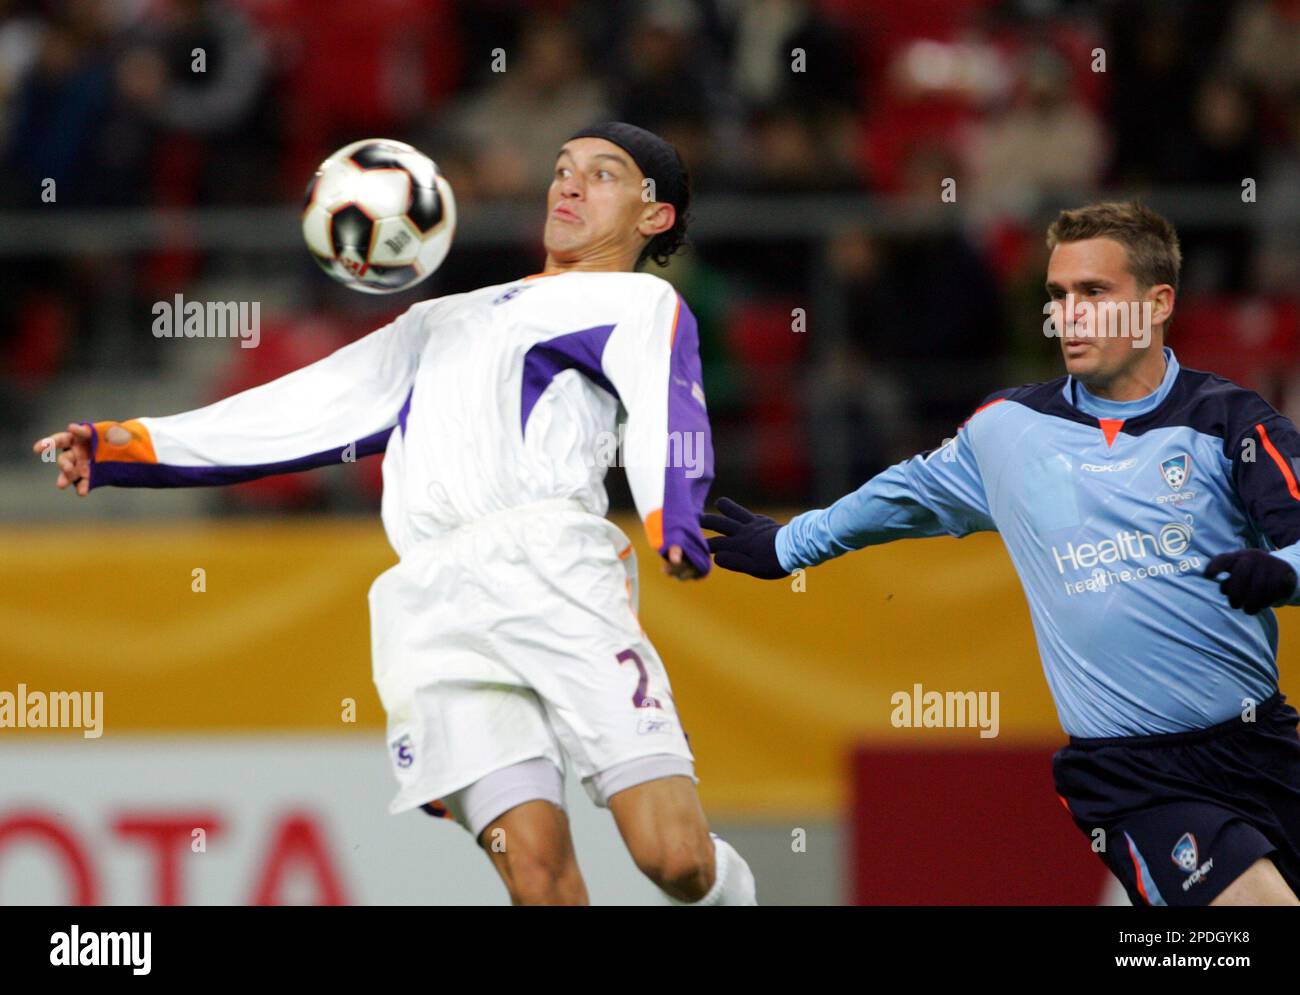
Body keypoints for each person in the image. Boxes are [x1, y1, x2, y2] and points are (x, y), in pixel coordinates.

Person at [33, 121, 756, 907]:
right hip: (432, 605)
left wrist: (671, 515)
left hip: (552, 574)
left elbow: (665, 401)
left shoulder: (633, 301)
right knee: (537, 876)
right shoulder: (434, 322)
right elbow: (299, 407)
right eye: (559, 169)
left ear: (656, 218)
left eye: (603, 174)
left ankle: (736, 890)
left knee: (674, 860)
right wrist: (123, 447)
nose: (568, 185)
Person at [704, 200, 1300, 906]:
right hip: (1135, 776)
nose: (1068, 314)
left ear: (1156, 303)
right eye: (1058, 295)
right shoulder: (1009, 431)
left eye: (1094, 293)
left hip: (1264, 744)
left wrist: (1282, 574)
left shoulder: (1230, 424)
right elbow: (904, 494)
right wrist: (786, 543)